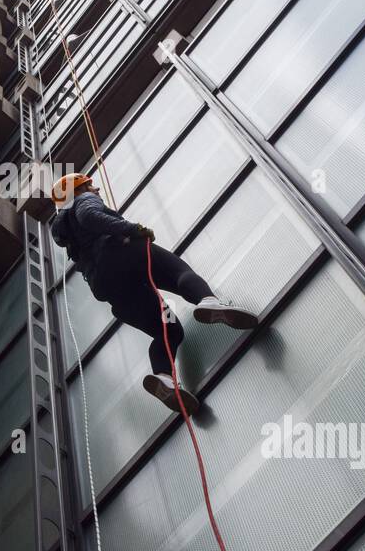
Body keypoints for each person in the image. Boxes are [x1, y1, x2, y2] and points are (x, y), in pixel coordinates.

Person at [49, 172, 258, 416]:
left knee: (168, 330)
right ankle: (209, 301)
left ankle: (164, 378)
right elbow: (90, 216)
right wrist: (133, 229)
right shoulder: (83, 201)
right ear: (78, 189)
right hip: (122, 251)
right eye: (89, 185)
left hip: (107, 285)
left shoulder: (68, 234)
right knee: (178, 273)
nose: (95, 189)